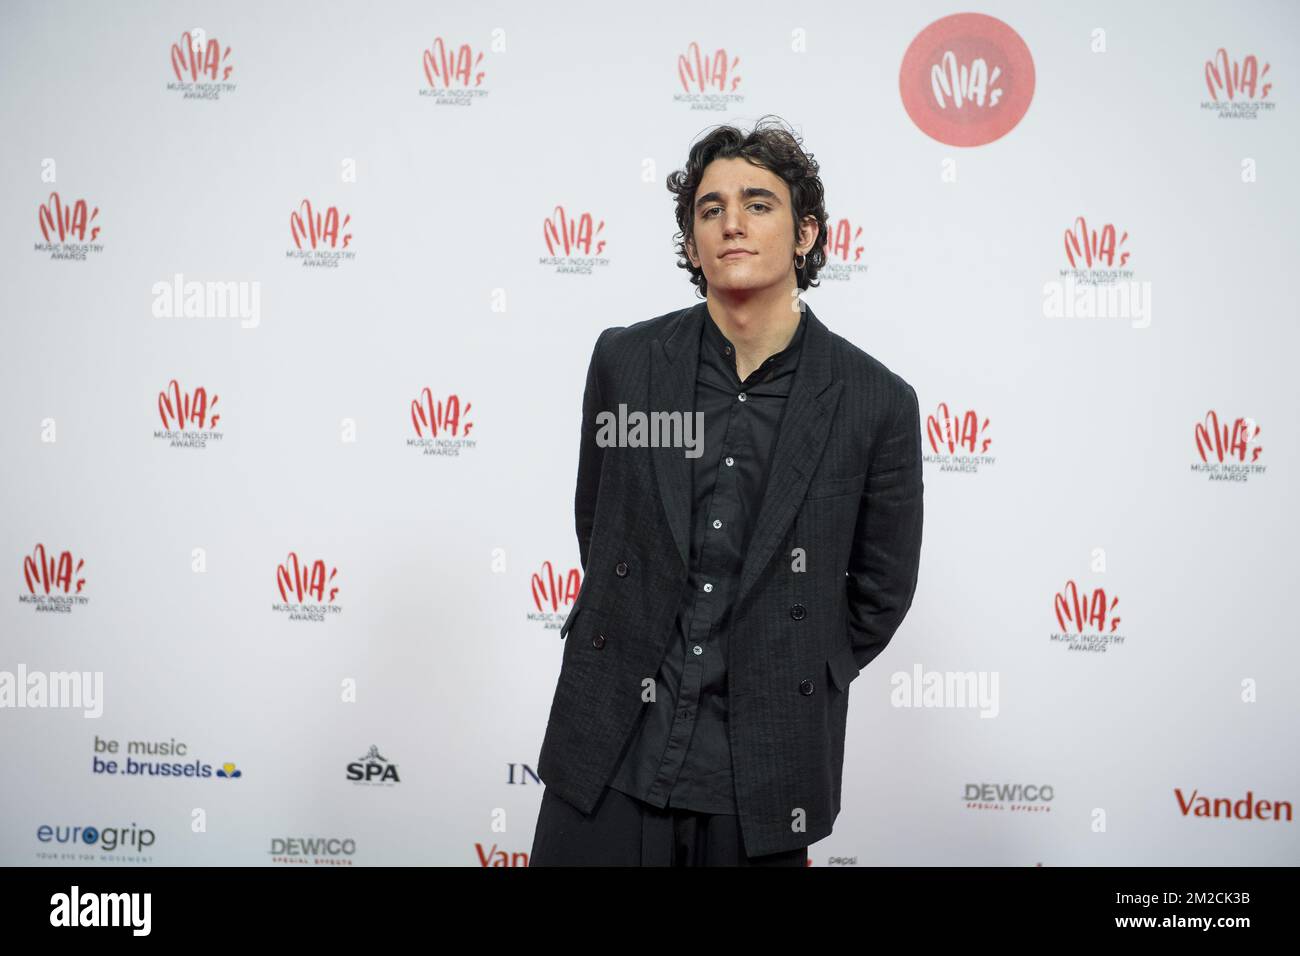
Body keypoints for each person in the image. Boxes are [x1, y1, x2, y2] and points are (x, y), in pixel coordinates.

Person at [530, 115, 924, 866]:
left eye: (758, 204)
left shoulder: (875, 401)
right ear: (690, 242)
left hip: (764, 772)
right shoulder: (628, 361)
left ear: (805, 234)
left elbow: (881, 592)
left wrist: (796, 658)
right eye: (710, 210)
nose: (731, 224)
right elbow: (599, 520)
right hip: (609, 748)